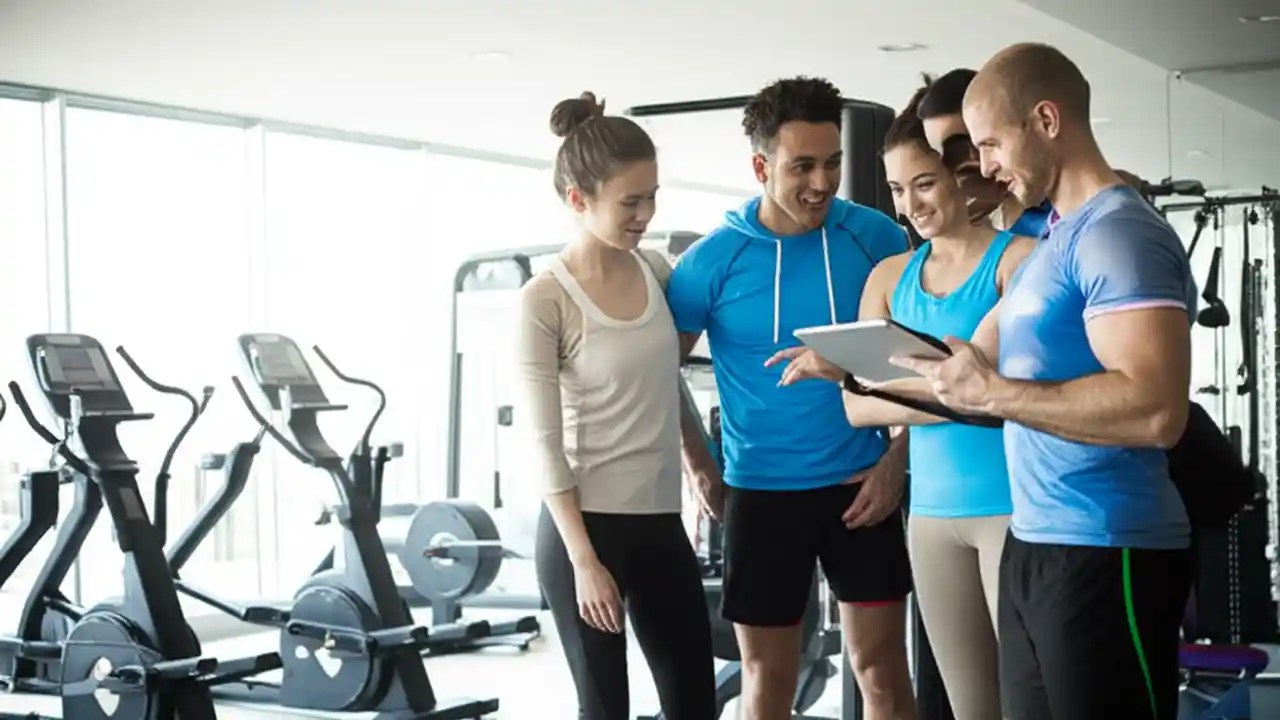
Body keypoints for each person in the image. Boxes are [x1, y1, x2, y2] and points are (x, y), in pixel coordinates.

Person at [891, 43, 1197, 720]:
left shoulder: (1120, 237)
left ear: (1048, 121)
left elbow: (1155, 410)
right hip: (1035, 541)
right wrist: (855, 362)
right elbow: (971, 359)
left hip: (1106, 543)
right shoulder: (1053, 241)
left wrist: (992, 395)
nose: (985, 166)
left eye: (992, 144)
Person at [667, 76, 917, 720]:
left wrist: (897, 462)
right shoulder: (711, 262)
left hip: (862, 484)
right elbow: (658, 374)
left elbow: (918, 366)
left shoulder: (877, 239)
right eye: (801, 165)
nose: (822, 181)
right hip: (761, 492)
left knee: (881, 672)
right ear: (761, 165)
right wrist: (700, 465)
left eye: (832, 162)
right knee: (767, 678)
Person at [830, 78, 1033, 720]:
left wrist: (916, 393)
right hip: (931, 520)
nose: (910, 204)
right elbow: (856, 406)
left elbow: (1000, 397)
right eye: (895, 189)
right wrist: (958, 392)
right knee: (971, 708)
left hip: (1012, 512)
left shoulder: (1018, 261)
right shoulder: (888, 277)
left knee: (1028, 705)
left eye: (922, 183)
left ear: (960, 172)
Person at [519, 91, 716, 720]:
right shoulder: (545, 298)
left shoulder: (656, 270)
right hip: (585, 529)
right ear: (579, 200)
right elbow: (545, 445)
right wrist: (583, 561)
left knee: (694, 704)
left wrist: (701, 463)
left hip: (660, 522)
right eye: (631, 201)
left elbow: (666, 379)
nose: (646, 213)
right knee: (606, 711)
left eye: (653, 195)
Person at [916, 67, 1056, 238]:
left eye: (959, 147)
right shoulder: (962, 229)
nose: (948, 167)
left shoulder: (1054, 223)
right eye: (937, 153)